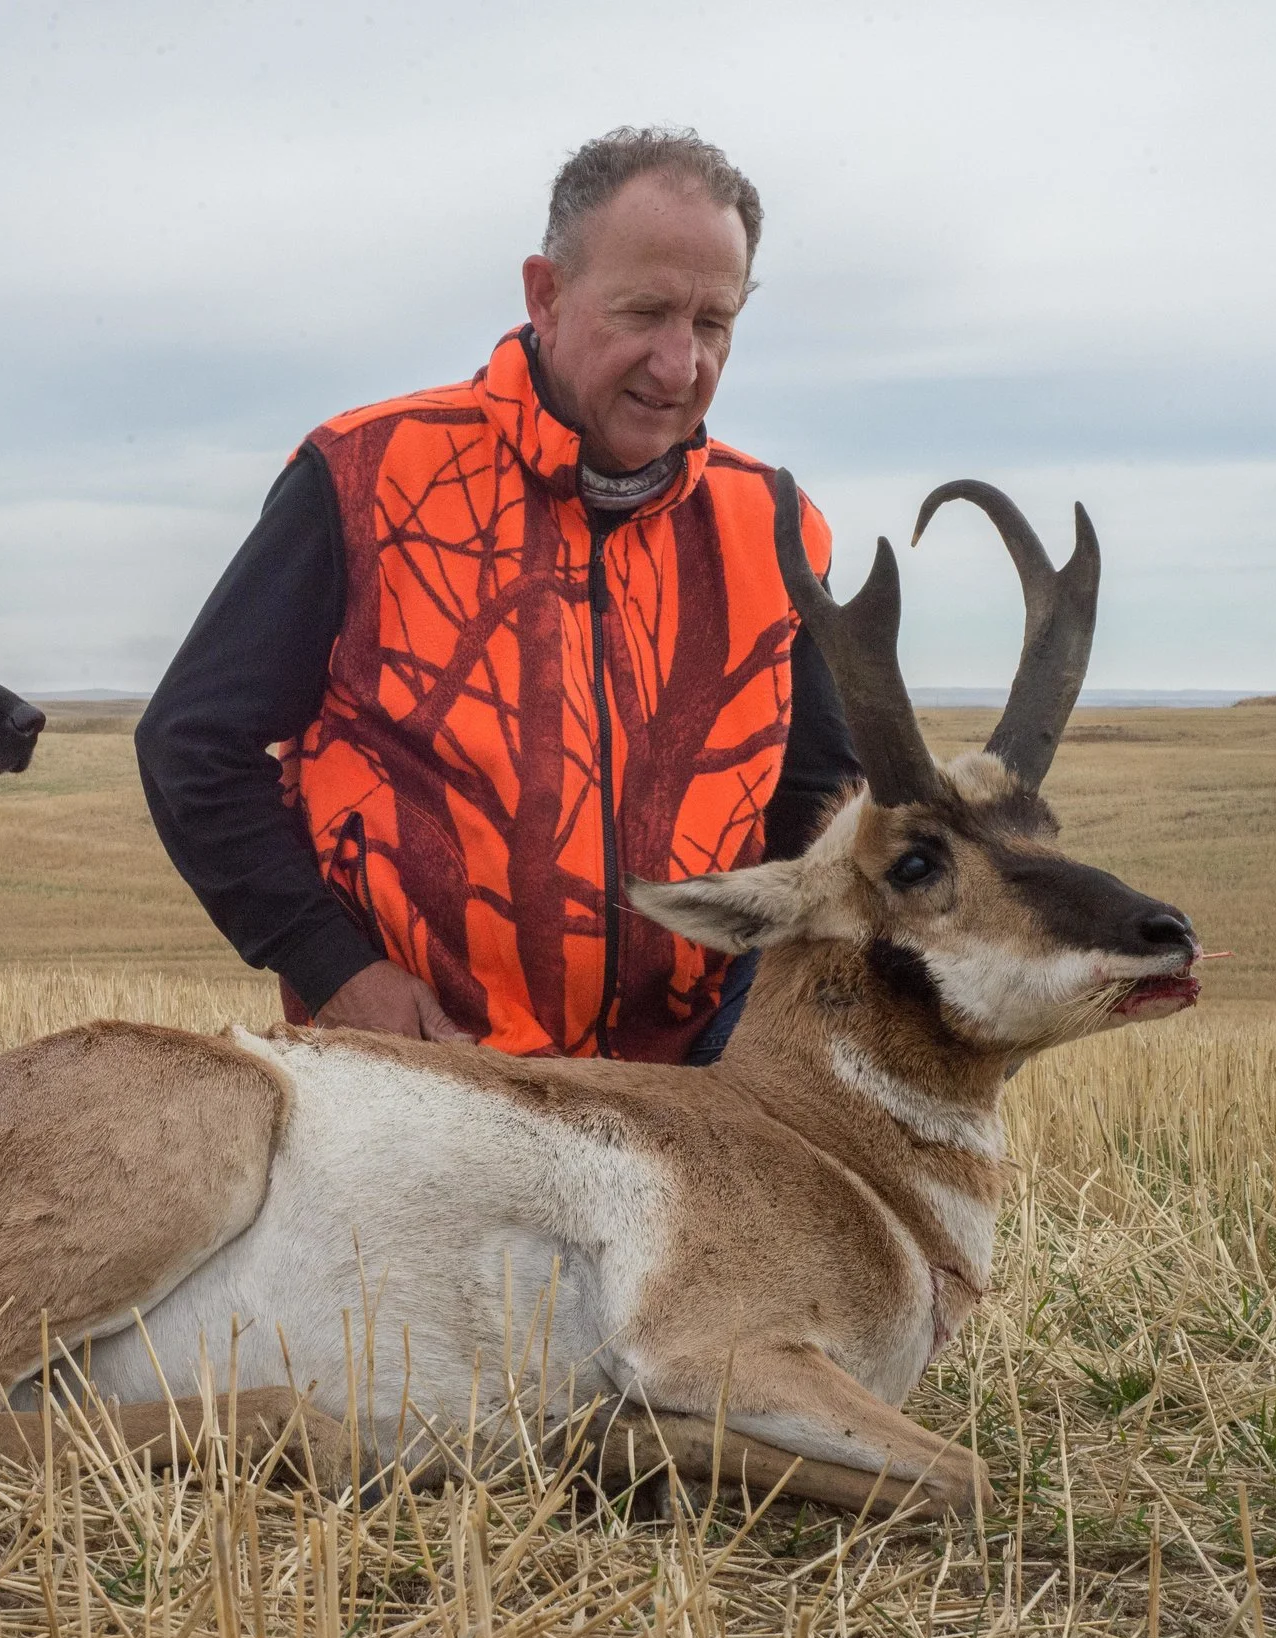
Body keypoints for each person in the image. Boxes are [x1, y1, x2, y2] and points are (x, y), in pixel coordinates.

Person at [136, 126, 859, 1062]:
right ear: (546, 296)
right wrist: (332, 968)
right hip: (434, 1080)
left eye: (713, 323)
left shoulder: (772, 524)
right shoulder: (368, 478)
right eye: (645, 313)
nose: (680, 365)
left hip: (688, 1094)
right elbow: (193, 745)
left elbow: (823, 807)